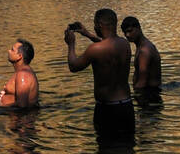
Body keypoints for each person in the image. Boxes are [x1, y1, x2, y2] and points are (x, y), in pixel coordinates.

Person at [65, 8, 134, 137]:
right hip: (126, 106)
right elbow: (106, 47)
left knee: (105, 151)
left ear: (100, 25)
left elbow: (73, 66)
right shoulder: (124, 44)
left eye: (95, 24)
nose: (94, 27)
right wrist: (88, 34)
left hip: (107, 109)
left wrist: (71, 44)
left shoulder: (94, 49)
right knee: (127, 150)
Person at [121, 16, 162, 101]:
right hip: (150, 93)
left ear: (138, 28)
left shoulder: (144, 50)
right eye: (125, 32)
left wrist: (133, 97)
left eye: (130, 31)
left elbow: (142, 81)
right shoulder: (143, 46)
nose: (127, 35)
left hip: (149, 95)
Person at [0, 38, 39, 108]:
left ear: (19, 56)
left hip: (19, 118)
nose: (9, 51)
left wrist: (3, 105)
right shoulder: (21, 72)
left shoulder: (23, 75)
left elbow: (22, 106)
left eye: (12, 50)